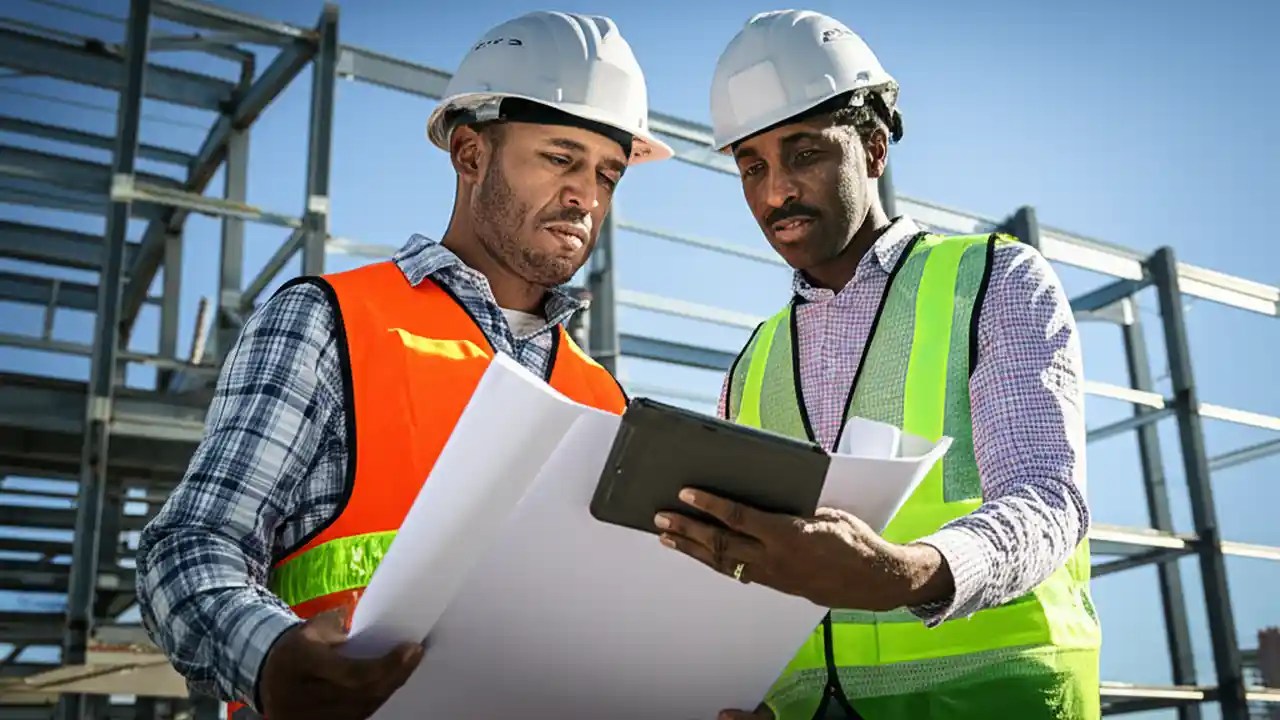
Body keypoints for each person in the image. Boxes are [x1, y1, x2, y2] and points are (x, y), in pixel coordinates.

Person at [134, 10, 671, 720]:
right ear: (470, 154)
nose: (587, 197)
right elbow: (190, 545)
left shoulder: (602, 394)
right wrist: (271, 657)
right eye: (559, 158)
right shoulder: (331, 320)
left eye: (607, 174)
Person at [654, 10, 1101, 720]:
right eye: (752, 167)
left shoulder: (993, 279)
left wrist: (907, 573)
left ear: (872, 146)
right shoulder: (752, 362)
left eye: (803, 155)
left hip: (993, 700)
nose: (775, 193)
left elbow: (1049, 502)